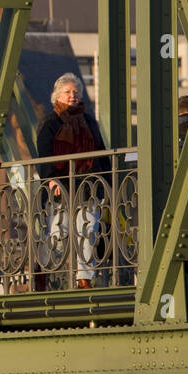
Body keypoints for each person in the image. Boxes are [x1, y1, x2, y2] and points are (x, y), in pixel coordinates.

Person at [36, 73, 109, 289]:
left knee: (88, 231)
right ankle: (44, 270)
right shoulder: (50, 123)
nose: (72, 96)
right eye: (67, 92)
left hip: (88, 186)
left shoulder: (88, 122)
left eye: (75, 92)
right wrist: (50, 179)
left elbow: (100, 151)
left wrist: (106, 181)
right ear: (57, 96)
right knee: (59, 234)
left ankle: (84, 278)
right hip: (61, 187)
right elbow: (44, 154)